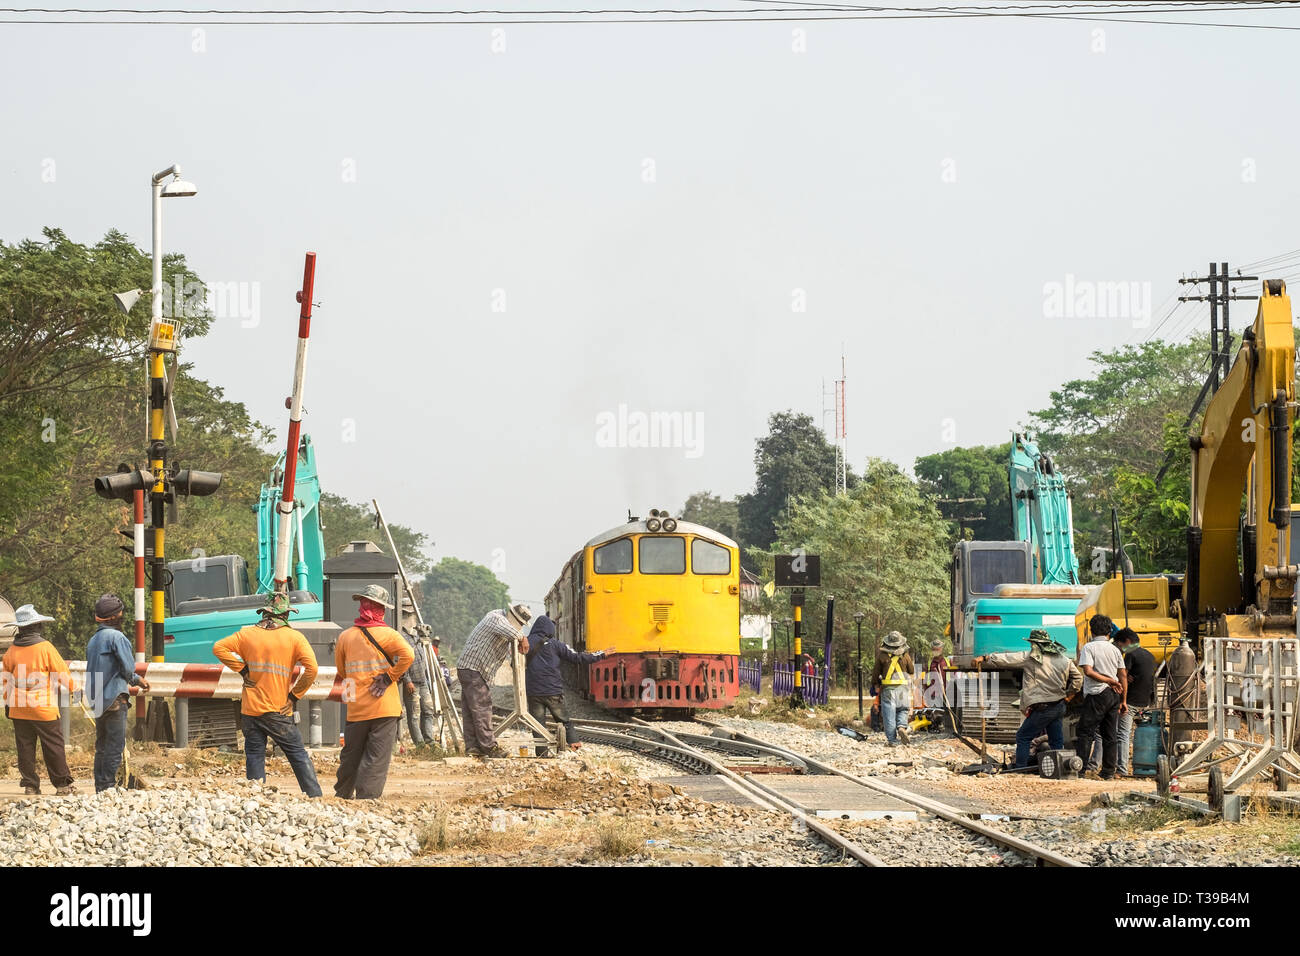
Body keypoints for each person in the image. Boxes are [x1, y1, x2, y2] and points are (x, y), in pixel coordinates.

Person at [213, 592, 322, 797]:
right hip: (278, 709)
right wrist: (294, 696)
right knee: (297, 754)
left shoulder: (246, 634)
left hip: (250, 709)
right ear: (286, 615)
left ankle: (256, 797)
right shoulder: (294, 637)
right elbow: (312, 669)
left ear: (265, 612)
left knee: (254, 753)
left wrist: (243, 670)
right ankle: (314, 796)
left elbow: (218, 648)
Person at [334, 585, 414, 798]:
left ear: (361, 606)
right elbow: (408, 656)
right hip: (383, 707)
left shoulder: (345, 637)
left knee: (351, 754)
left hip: (356, 708)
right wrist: (389, 677)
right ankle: (366, 799)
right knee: (376, 756)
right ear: (382, 610)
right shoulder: (390, 635)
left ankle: (342, 795)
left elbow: (341, 671)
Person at [972, 629, 1084, 770]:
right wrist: (1068, 694)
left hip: (1043, 708)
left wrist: (985, 658)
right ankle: (1059, 770)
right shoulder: (1064, 660)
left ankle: (1020, 768)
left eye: (1032, 644)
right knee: (1056, 740)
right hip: (1059, 705)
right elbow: (1078, 679)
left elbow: (1008, 659)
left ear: (1035, 644)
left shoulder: (1030, 658)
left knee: (1023, 736)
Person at [1, 604, 76, 795]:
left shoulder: (12, 651)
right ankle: (62, 785)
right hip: (42, 708)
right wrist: (75, 689)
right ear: (36, 627)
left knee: (25, 747)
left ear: (20, 628)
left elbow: (5, 681)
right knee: (53, 745)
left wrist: (7, 701)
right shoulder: (45, 648)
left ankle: (30, 785)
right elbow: (62, 673)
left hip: (19, 708)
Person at [84, 594, 150, 792]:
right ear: (114, 616)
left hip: (97, 699)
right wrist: (139, 680)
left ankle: (100, 787)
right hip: (114, 699)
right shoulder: (117, 637)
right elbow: (128, 669)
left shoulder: (93, 640)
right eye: (120, 613)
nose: (122, 615)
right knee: (114, 745)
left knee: (102, 746)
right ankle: (109, 787)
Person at [523, 614, 610, 755]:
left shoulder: (526, 643)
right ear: (550, 629)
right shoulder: (556, 644)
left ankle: (541, 753)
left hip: (533, 692)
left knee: (537, 725)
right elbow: (577, 657)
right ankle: (574, 744)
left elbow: (514, 663)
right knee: (563, 719)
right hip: (553, 691)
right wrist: (601, 654)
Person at [457, 604, 532, 758]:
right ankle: (489, 747)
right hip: (473, 668)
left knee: (471, 710)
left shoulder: (501, 625)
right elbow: (513, 633)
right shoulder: (496, 618)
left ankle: (473, 747)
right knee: (482, 707)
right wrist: (523, 638)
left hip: (470, 668)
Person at [1075, 613, 1127, 780]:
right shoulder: (1115, 650)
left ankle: (1080, 770)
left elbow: (1088, 671)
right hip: (1114, 695)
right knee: (1110, 734)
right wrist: (1124, 700)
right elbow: (1123, 675)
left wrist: (1108, 680)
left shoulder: (1089, 648)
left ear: (1091, 630)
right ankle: (1108, 771)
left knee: (1085, 732)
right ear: (1109, 632)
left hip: (1096, 693)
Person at [1114, 627, 1156, 777]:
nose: (1120, 648)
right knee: (1145, 735)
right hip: (1146, 702)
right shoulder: (1150, 655)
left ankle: (1122, 769)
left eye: (1120, 644)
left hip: (1130, 702)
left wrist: (1122, 699)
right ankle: (1146, 767)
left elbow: (1123, 677)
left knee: (1123, 735)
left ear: (1128, 642)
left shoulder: (1130, 655)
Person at [399, 597, 436, 746]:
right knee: (414, 714)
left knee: (428, 711)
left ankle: (430, 740)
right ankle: (420, 744)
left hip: (423, 681)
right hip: (412, 681)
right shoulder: (401, 635)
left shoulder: (415, 634)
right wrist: (406, 680)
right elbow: (401, 659)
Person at [872, 631, 914, 746]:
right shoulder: (905, 655)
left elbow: (876, 672)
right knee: (903, 709)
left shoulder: (882, 656)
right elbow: (911, 670)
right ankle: (901, 727)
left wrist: (875, 684)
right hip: (903, 689)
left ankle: (892, 740)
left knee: (889, 714)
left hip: (888, 689)